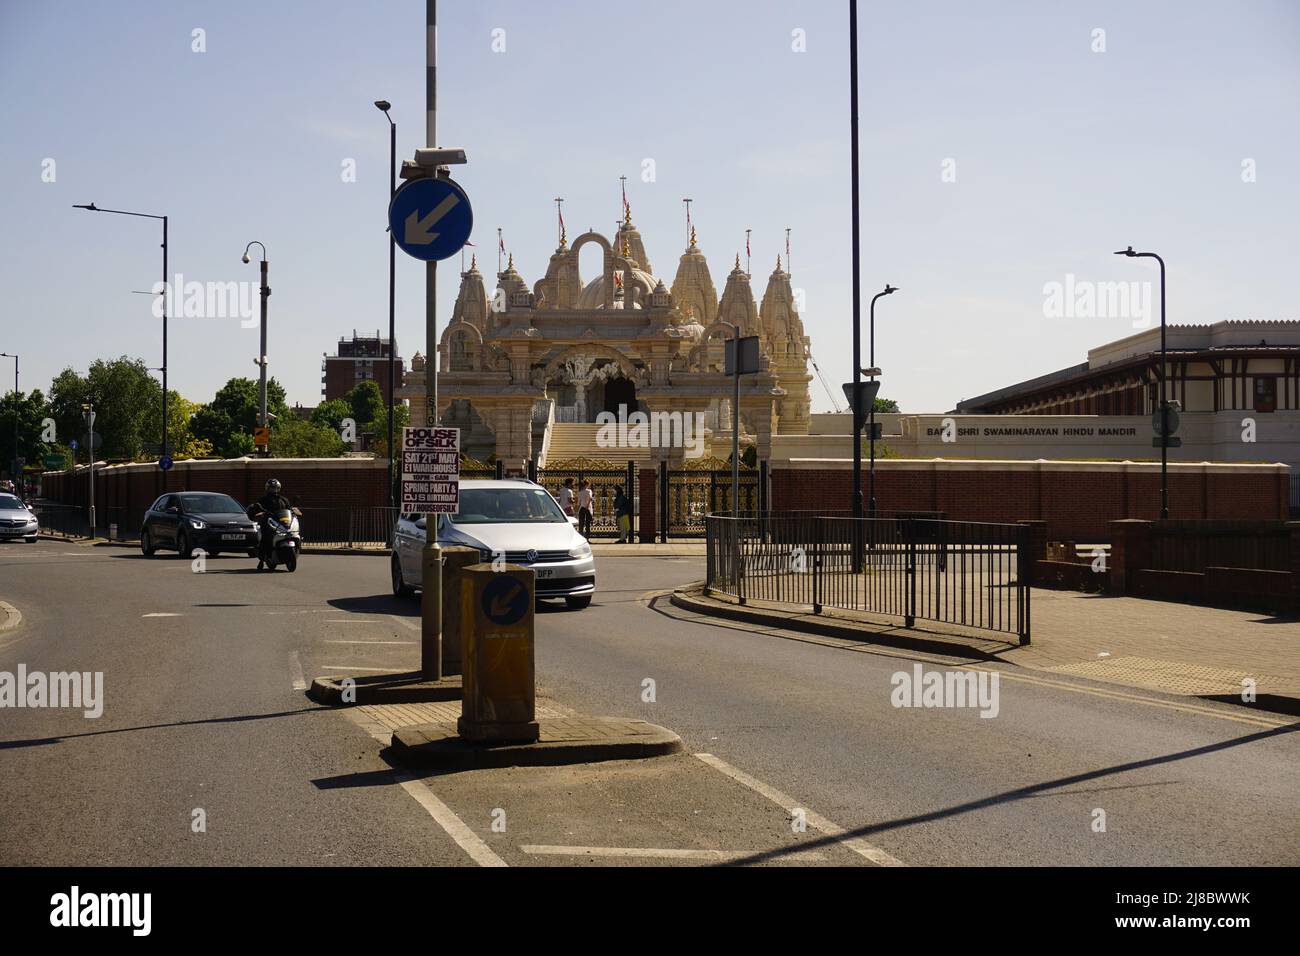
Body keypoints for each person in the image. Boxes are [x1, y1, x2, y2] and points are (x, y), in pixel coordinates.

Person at [251, 478, 292, 569]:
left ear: (279, 488)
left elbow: (289, 509)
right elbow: (257, 508)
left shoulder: (283, 500)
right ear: (267, 489)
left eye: (275, 488)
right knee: (266, 537)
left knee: (292, 532)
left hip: (282, 523)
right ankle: (262, 559)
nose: (274, 490)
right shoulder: (263, 500)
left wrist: (294, 512)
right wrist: (260, 512)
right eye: (271, 488)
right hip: (269, 523)